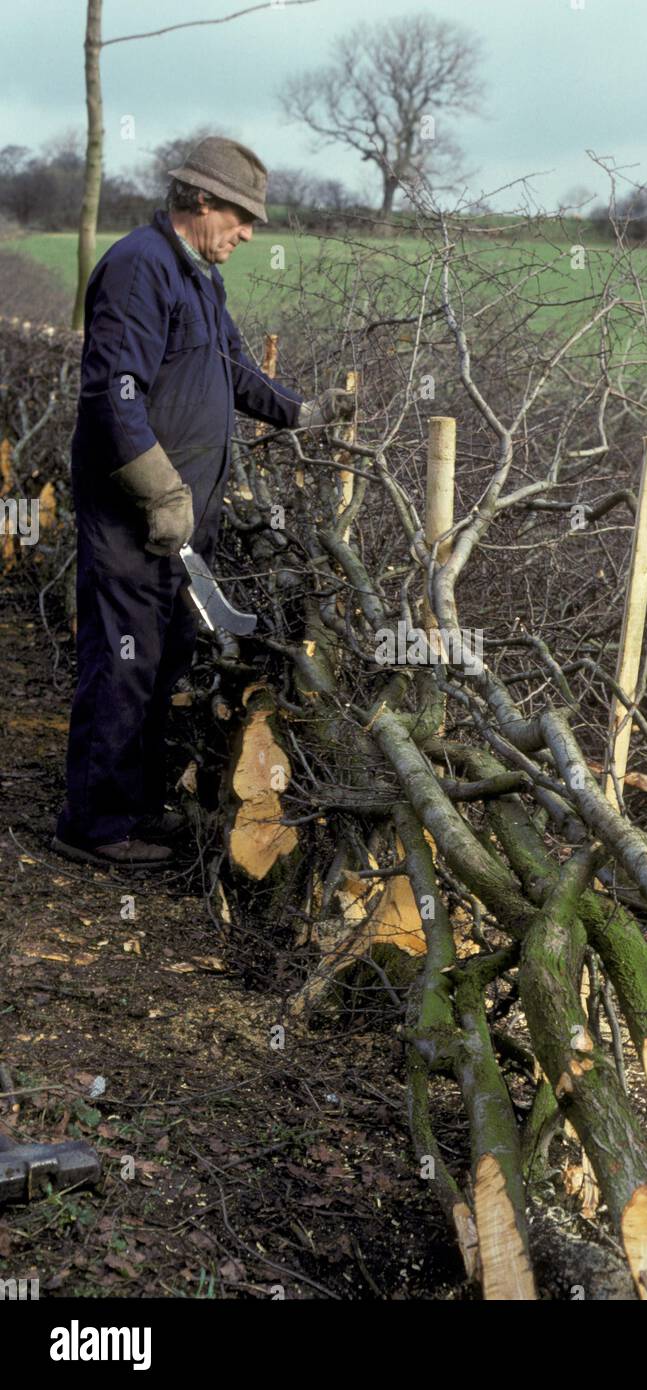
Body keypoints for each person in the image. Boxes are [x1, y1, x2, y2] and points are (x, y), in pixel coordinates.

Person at [53, 137, 353, 867]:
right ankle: (90, 827)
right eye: (242, 216)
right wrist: (159, 491)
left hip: (182, 520)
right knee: (124, 661)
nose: (249, 233)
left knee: (163, 662)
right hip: (133, 514)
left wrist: (308, 413)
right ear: (200, 202)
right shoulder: (138, 268)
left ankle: (135, 811)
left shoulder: (199, 280)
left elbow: (239, 372)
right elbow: (111, 396)